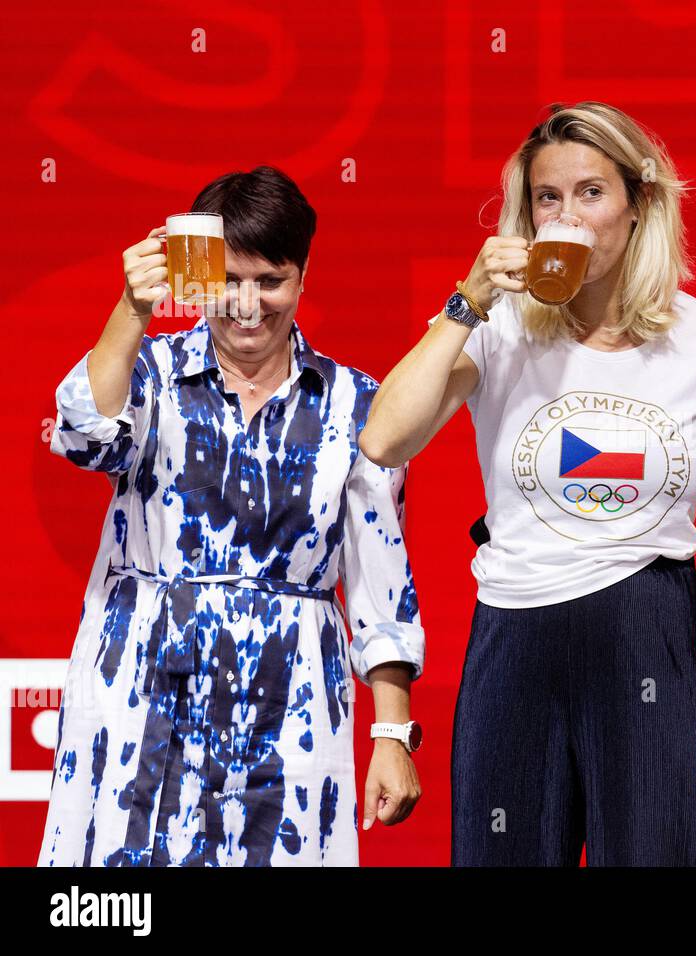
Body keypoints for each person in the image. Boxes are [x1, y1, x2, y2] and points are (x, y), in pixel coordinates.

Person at [361, 102, 696, 866]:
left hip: (648, 632)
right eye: (548, 198)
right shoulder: (500, 325)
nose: (568, 215)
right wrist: (469, 300)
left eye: (590, 193)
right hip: (515, 634)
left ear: (638, 203)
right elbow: (384, 437)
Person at [40, 166, 426, 866]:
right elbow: (83, 434)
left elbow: (383, 585)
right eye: (230, 279)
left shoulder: (359, 405)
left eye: (271, 280)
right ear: (198, 275)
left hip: (296, 697)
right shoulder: (149, 374)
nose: (248, 304)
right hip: (141, 682)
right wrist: (133, 305)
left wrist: (392, 737)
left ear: (303, 278)